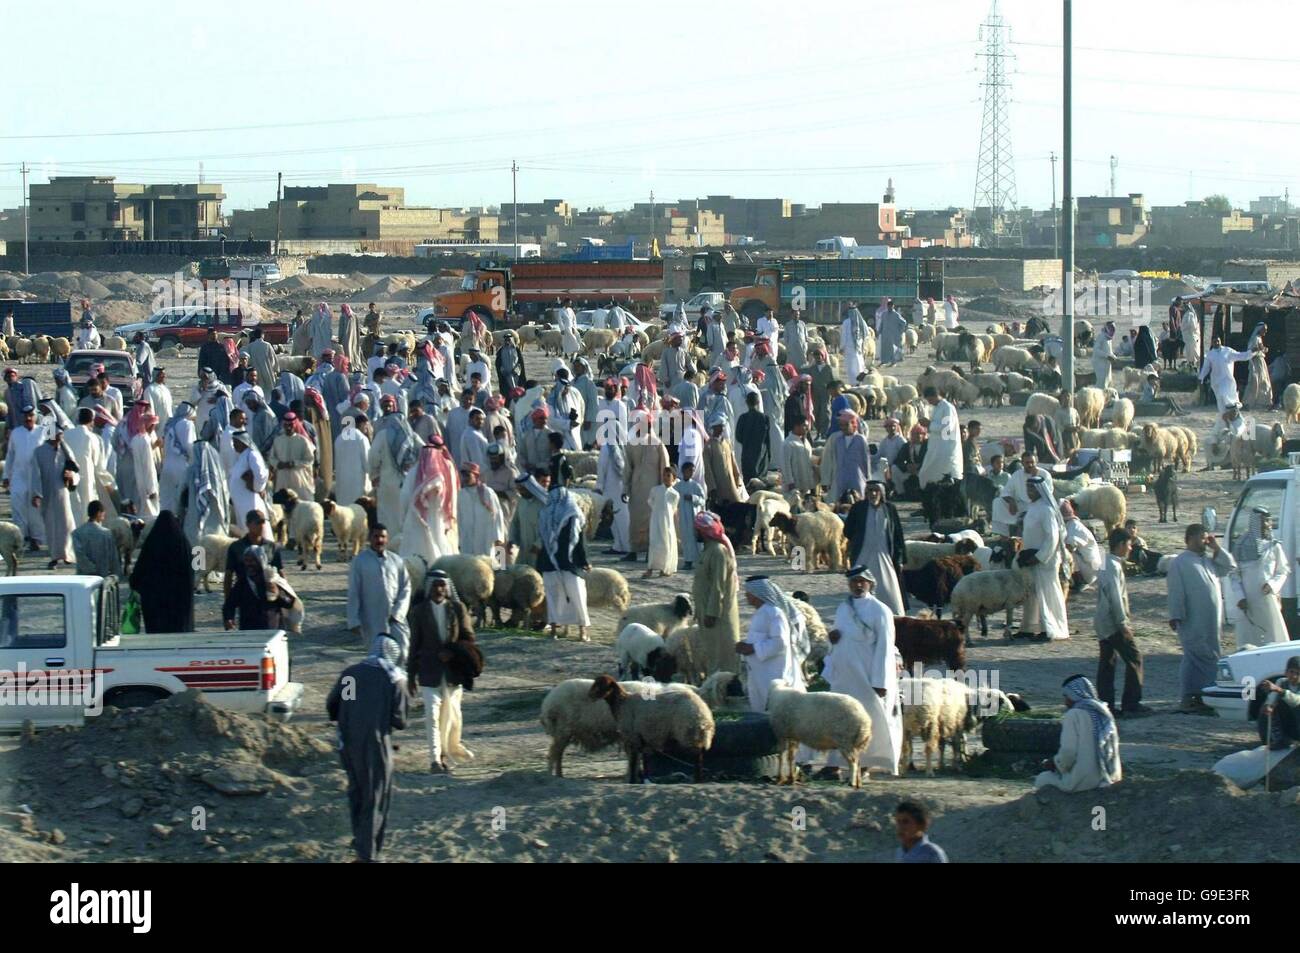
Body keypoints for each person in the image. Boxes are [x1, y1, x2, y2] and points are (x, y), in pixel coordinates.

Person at [326, 634, 408, 863]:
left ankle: (360, 840)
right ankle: (368, 854)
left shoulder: (351, 674)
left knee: (357, 791)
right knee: (376, 796)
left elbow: (335, 706)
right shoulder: (395, 678)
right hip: (375, 743)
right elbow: (400, 720)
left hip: (347, 741)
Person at [824, 566, 902, 778]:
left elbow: (885, 647)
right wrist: (832, 639)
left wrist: (881, 681)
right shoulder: (843, 608)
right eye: (854, 582)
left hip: (868, 675)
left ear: (870, 583)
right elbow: (838, 635)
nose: (858, 585)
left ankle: (865, 766)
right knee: (841, 718)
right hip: (845, 676)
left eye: (862, 581)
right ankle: (835, 765)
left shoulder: (880, 610)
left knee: (869, 720)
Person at [407, 569, 480, 773]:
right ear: (428, 587)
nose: (439, 589)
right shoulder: (418, 611)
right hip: (429, 672)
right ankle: (435, 760)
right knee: (432, 716)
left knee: (451, 717)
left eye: (442, 585)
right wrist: (411, 675)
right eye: (435, 585)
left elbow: (469, 637)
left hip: (453, 673)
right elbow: (414, 645)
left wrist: (452, 652)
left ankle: (446, 753)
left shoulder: (457, 608)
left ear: (447, 588)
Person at [1168, 523, 1236, 713]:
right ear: (1190, 538)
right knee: (1194, 657)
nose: (1205, 541)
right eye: (1202, 537)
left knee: (1211, 655)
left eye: (1207, 537)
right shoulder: (1180, 562)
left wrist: (1216, 548)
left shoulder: (1208, 560)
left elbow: (1230, 566)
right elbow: (1175, 591)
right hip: (1192, 619)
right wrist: (1176, 615)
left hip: (1211, 622)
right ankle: (1188, 697)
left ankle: (1205, 697)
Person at [1093, 528, 1149, 717]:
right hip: (1112, 623)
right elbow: (1115, 597)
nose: (1130, 548)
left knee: (1107, 663)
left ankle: (1106, 705)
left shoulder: (1106, 562)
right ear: (1120, 545)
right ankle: (1131, 704)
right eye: (1129, 544)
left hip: (1103, 621)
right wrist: (1122, 623)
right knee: (1134, 658)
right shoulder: (1112, 566)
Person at [1034, 675, 1122, 792]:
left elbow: (1069, 752)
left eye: (1067, 696)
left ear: (1074, 695)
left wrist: (1055, 763)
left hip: (1084, 781)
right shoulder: (1104, 712)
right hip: (1111, 776)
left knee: (1042, 779)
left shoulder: (1074, 714)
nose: (1065, 702)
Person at [737, 576, 806, 714]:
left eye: (749, 593)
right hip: (760, 672)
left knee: (778, 709)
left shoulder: (774, 613)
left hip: (774, 672)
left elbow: (780, 642)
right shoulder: (761, 613)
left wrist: (752, 648)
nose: (746, 596)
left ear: (757, 594)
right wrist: (745, 645)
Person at [536, 481, 591, 641]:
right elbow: (544, 539)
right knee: (557, 596)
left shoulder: (571, 515)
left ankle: (581, 630)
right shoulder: (547, 514)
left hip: (565, 562)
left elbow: (578, 540)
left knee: (574, 595)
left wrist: (584, 561)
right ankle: (557, 629)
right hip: (556, 562)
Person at [347, 524, 413, 657]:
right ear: (370, 538)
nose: (379, 540)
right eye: (376, 536)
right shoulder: (360, 561)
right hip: (371, 618)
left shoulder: (396, 561)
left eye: (383, 536)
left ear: (387, 539)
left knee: (401, 653)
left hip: (395, 618)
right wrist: (353, 619)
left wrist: (398, 612)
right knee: (376, 655)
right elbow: (354, 591)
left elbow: (406, 588)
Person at [843, 482, 907, 614]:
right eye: (870, 490)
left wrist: (900, 558)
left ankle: (891, 615)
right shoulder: (858, 508)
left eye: (876, 490)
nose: (873, 494)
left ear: (882, 493)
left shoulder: (889, 509)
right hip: (863, 555)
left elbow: (898, 535)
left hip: (885, 556)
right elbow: (847, 530)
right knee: (861, 585)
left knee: (888, 589)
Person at [1019, 475, 1070, 641]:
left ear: (1040, 489)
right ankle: (1028, 628)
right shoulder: (1032, 507)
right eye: (1027, 487)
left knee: (1047, 593)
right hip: (1031, 556)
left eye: (1032, 488)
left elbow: (1052, 537)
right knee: (1031, 595)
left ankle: (1049, 629)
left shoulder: (1047, 510)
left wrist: (1040, 557)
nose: (1029, 490)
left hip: (1045, 559)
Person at [1230, 507, 1289, 645]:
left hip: (1268, 598)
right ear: (1255, 522)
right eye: (1264, 521)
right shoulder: (1240, 546)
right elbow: (1234, 575)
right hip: (1247, 601)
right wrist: (1240, 597)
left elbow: (1283, 570)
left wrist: (1272, 585)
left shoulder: (1274, 546)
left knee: (1274, 636)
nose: (1267, 525)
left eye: (1268, 521)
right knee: (1249, 640)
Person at [691, 512, 740, 674]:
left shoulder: (718, 552)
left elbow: (718, 586)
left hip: (717, 615)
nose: (694, 532)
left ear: (703, 532)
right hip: (706, 611)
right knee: (713, 653)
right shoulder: (708, 551)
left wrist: (712, 613)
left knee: (723, 656)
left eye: (696, 529)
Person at [129, 512, 195, 633]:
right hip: (180, 612)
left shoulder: (152, 544)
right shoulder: (184, 545)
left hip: (155, 612)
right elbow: (191, 575)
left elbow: (137, 575)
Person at [622, 411, 671, 563]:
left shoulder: (658, 444)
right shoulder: (631, 444)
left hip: (654, 489)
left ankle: (651, 551)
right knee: (635, 520)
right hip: (636, 489)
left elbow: (665, 467)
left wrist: (665, 487)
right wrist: (625, 489)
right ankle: (633, 550)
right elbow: (627, 469)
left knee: (652, 522)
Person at [29, 423, 77, 568]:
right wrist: (36, 495)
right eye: (57, 435)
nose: (60, 438)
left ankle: (68, 555)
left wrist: (71, 476)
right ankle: (54, 556)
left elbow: (75, 469)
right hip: (47, 493)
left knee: (67, 524)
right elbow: (35, 475)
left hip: (62, 492)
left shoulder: (65, 450)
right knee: (51, 525)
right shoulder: (39, 452)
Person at [222, 547, 298, 631]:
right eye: (246, 561)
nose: (249, 564)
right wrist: (228, 619)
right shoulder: (243, 583)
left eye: (252, 561)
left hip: (273, 629)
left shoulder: (272, 579)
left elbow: (289, 603)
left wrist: (278, 594)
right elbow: (229, 604)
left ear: (260, 561)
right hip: (248, 630)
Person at [6, 407, 48, 550]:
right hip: (19, 476)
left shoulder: (43, 431)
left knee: (35, 509)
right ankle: (21, 538)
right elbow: (10, 455)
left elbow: (55, 442)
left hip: (37, 477)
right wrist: (6, 476)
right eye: (25, 416)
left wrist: (49, 413)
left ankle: (36, 539)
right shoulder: (16, 433)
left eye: (31, 415)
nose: (28, 418)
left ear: (36, 416)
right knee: (18, 507)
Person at [182, 433, 229, 544]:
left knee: (196, 543)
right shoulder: (218, 473)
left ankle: (197, 556)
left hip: (194, 516)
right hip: (216, 519)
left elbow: (182, 492)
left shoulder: (191, 471)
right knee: (214, 544)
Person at [457, 462, 505, 562]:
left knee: (491, 565)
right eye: (463, 475)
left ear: (476, 475)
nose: (465, 478)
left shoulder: (487, 492)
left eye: (468, 475)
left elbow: (497, 516)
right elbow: (459, 519)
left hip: (486, 537)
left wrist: (498, 538)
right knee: (469, 566)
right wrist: (459, 541)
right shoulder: (461, 494)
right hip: (467, 539)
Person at [825, 410, 873, 506]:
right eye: (841, 425)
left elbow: (866, 459)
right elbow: (834, 459)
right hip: (841, 477)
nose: (843, 428)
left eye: (846, 425)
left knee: (858, 501)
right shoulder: (838, 440)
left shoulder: (860, 439)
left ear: (853, 424)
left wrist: (868, 477)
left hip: (857, 476)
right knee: (839, 503)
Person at [226, 430, 270, 528]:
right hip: (242, 502)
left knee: (255, 527)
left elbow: (261, 475)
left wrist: (256, 488)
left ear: (243, 442)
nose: (234, 445)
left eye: (236, 442)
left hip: (250, 500)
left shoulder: (252, 455)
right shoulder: (242, 456)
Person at [1199, 337, 1253, 412]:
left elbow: (1241, 356)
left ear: (1220, 341)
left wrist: (1252, 352)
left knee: (1225, 396)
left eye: (1218, 341)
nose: (1217, 343)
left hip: (1227, 380)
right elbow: (1206, 368)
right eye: (1215, 341)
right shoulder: (1210, 355)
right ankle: (1225, 416)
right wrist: (1201, 378)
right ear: (1212, 343)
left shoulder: (1227, 351)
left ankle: (1233, 411)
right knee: (1221, 402)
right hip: (1216, 382)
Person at [507, 471, 548, 567]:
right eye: (519, 489)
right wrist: (511, 540)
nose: (520, 492)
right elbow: (515, 522)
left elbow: (550, 527)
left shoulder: (543, 503)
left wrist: (539, 544)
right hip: (524, 548)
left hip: (540, 550)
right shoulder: (521, 502)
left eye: (522, 489)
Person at [1257, 658, 1300, 750]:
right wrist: (1269, 706)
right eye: (1291, 672)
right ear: (1286, 672)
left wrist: (1279, 690)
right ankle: (1279, 740)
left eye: (1298, 673)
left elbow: (1297, 701)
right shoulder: (1281, 682)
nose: (1294, 676)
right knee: (1266, 708)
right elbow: (1272, 698)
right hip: (1288, 722)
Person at [702, 415, 745, 506]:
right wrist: (712, 489)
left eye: (722, 426)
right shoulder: (709, 446)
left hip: (731, 485)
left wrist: (737, 477)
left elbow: (733, 462)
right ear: (714, 428)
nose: (722, 429)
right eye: (719, 426)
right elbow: (708, 470)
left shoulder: (726, 443)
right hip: (719, 488)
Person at [72, 500, 121, 577]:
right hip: (102, 575)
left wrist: (90, 568)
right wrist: (116, 575)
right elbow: (113, 558)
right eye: (103, 512)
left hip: (83, 576)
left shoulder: (77, 533)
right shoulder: (106, 534)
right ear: (99, 513)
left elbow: (79, 554)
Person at [646, 466, 680, 578]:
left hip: (668, 522)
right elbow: (650, 502)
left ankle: (664, 568)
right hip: (656, 520)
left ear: (673, 478)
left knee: (666, 544)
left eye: (668, 475)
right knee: (654, 543)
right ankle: (650, 569)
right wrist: (657, 512)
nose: (665, 477)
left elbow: (674, 508)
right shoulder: (655, 490)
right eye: (664, 475)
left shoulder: (675, 494)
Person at [1061, 500, 1102, 590]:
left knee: (1066, 553)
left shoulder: (1075, 527)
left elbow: (1069, 547)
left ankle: (1078, 581)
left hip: (1090, 571)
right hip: (1087, 565)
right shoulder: (1068, 525)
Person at [129, 410, 161, 519]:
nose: (154, 428)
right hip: (148, 482)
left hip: (139, 479)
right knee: (151, 512)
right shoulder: (145, 440)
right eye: (153, 425)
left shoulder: (135, 439)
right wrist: (151, 489)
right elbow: (148, 466)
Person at [734, 391, 771, 484]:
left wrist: (746, 442)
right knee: (760, 482)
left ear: (746, 402)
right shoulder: (764, 418)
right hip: (761, 454)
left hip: (747, 453)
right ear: (758, 402)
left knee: (748, 482)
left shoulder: (743, 418)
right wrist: (769, 453)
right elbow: (767, 439)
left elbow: (738, 436)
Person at [675, 461, 705, 571]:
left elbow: (703, 500)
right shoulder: (678, 486)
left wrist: (693, 498)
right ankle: (688, 561)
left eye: (692, 471)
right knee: (686, 538)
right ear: (683, 471)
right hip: (683, 516)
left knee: (696, 538)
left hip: (694, 516)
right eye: (689, 470)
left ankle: (699, 560)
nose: (691, 473)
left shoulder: (696, 486)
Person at [1206, 403, 1251, 471]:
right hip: (1222, 444)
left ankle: (1230, 463)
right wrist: (1214, 443)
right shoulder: (1221, 420)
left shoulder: (1240, 422)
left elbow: (1236, 434)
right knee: (1207, 441)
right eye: (1231, 412)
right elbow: (1214, 433)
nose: (1234, 413)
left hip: (1236, 446)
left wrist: (1228, 422)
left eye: (1235, 411)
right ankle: (1210, 465)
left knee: (1232, 439)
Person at [839, 302, 870, 384]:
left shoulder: (846, 322)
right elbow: (867, 334)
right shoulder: (862, 322)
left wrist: (842, 347)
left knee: (851, 366)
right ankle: (860, 381)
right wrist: (862, 343)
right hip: (859, 348)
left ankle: (853, 382)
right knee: (859, 364)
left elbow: (844, 336)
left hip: (850, 348)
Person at [1245, 341, 1273, 410]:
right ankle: (1248, 403)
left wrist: (1263, 350)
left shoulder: (1259, 338)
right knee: (1255, 382)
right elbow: (1251, 351)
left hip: (1261, 362)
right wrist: (1259, 349)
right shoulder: (1254, 339)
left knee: (1264, 382)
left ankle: (1264, 402)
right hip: (1256, 363)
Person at [878, 300, 906, 366]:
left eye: (891, 306)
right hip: (885, 334)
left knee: (893, 348)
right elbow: (882, 323)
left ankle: (894, 362)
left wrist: (900, 332)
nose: (890, 308)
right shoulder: (884, 314)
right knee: (884, 348)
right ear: (887, 306)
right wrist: (879, 331)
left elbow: (903, 322)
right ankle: (884, 361)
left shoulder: (896, 315)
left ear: (893, 306)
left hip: (894, 335)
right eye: (889, 306)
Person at [1091, 321, 1118, 390]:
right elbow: (1096, 350)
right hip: (1099, 363)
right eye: (1110, 328)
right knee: (1101, 382)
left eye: (1113, 328)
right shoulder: (1101, 336)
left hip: (1107, 364)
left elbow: (1109, 351)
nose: (1112, 330)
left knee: (1108, 381)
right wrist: (1107, 356)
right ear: (1107, 328)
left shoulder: (1108, 338)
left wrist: (1114, 357)